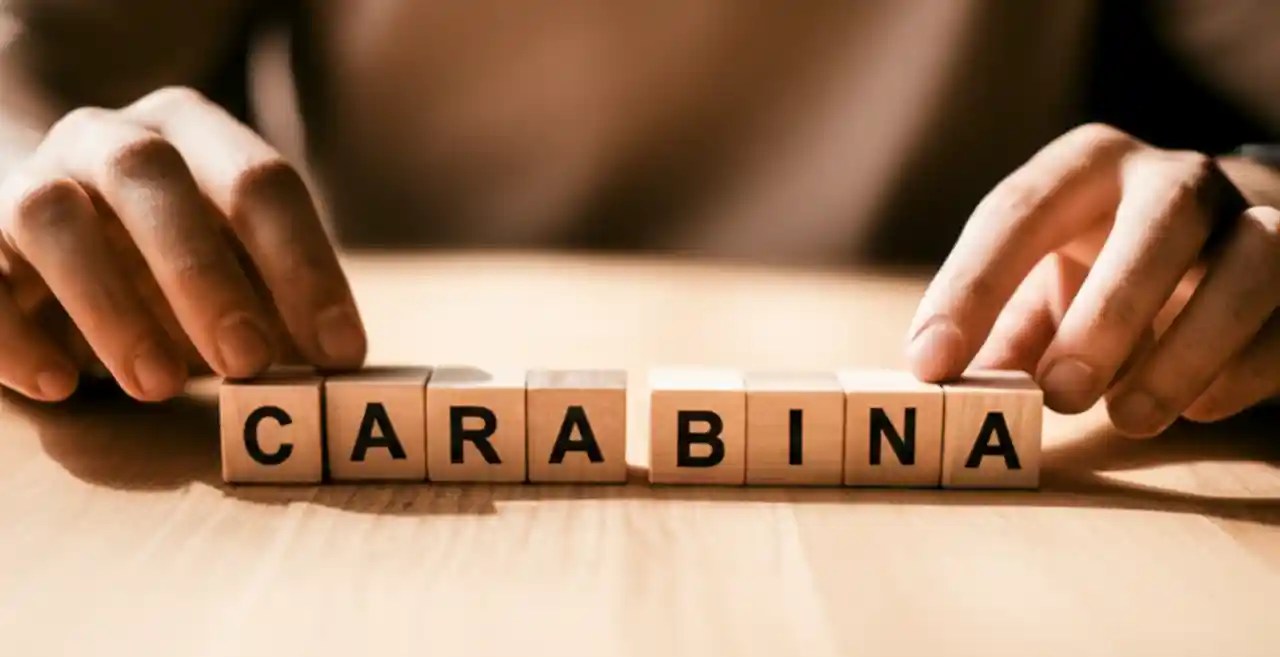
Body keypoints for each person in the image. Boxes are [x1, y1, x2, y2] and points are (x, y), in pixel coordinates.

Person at [0, 1, 1277, 440]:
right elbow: (27, 72)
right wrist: (23, 178)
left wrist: (1260, 205)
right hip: (366, 409)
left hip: (966, 408)